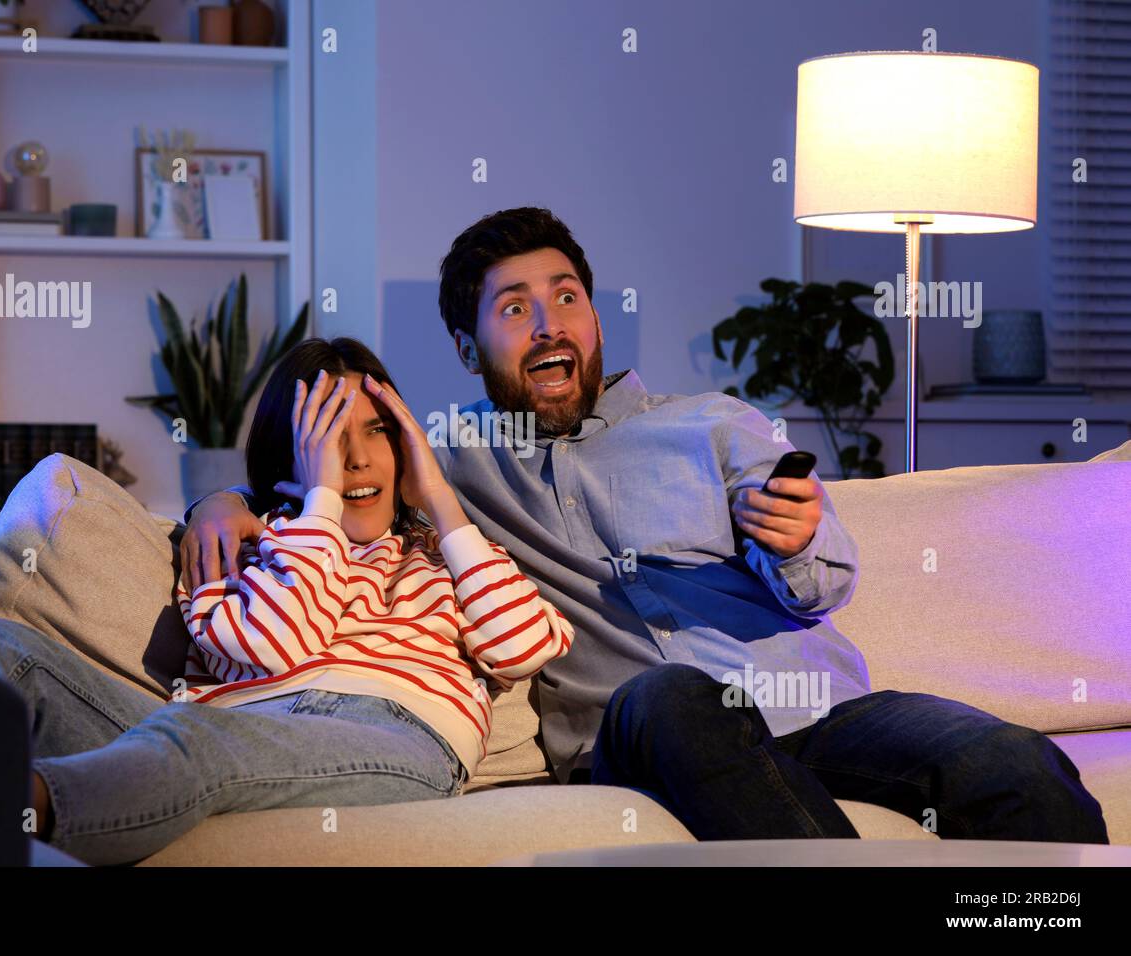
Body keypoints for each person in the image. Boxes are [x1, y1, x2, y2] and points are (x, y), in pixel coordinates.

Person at [181, 207, 1108, 844]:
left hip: (812, 713)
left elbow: (824, 579)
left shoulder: (714, 422)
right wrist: (219, 498)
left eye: (566, 297)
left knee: (1008, 758)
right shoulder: (454, 461)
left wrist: (793, 542)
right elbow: (344, 457)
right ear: (469, 350)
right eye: (514, 310)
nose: (550, 324)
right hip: (639, 734)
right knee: (671, 695)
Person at [0, 336, 572, 865]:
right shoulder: (240, 543)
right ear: (291, 451)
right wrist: (316, 506)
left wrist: (437, 495)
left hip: (394, 732)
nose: (355, 459)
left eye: (377, 431)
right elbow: (274, 647)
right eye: (327, 438)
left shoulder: (445, 554)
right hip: (228, 727)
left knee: (199, 736)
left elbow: (521, 648)